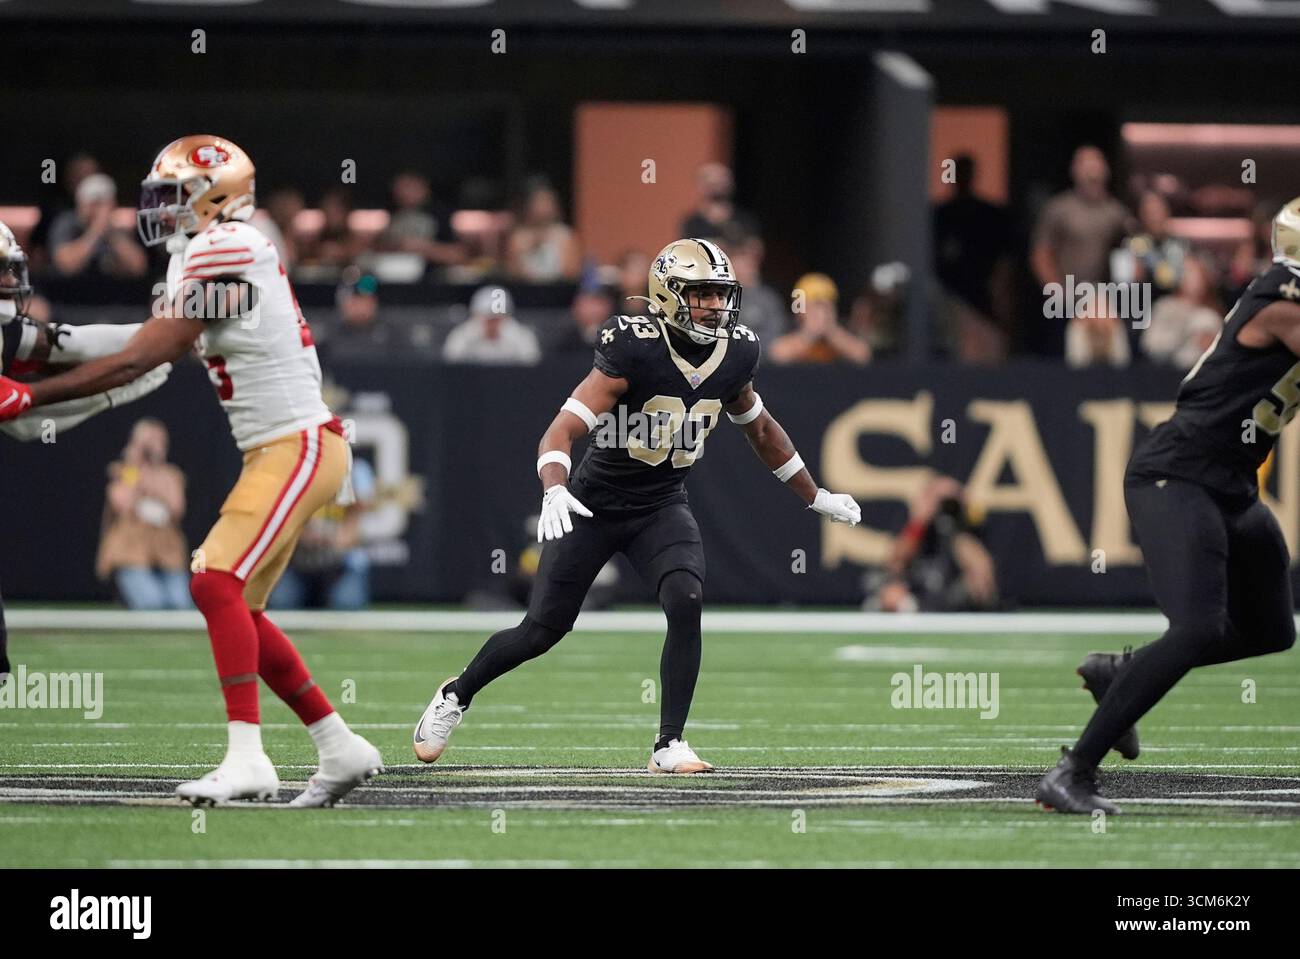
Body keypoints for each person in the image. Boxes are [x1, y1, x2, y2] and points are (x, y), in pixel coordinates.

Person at [0, 135, 382, 808]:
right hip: (281, 449)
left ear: (218, 196)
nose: (161, 210)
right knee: (244, 608)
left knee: (212, 579)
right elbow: (137, 347)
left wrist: (33, 394)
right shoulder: (202, 254)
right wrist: (33, 345)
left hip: (299, 444)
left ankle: (247, 757)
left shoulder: (231, 245)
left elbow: (145, 355)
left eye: (174, 197)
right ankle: (338, 744)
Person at [410, 238, 862, 774]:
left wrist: (816, 495)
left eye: (721, 295)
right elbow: (561, 430)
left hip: (661, 504)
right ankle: (457, 693)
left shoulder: (736, 352)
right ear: (668, 296)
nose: (716, 307)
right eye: (702, 295)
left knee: (686, 598)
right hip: (594, 505)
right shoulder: (634, 347)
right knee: (541, 631)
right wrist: (554, 487)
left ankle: (669, 743)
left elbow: (760, 428)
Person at [1035, 197, 1300, 814]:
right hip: (1178, 475)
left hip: (1231, 484)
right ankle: (1072, 771)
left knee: (1270, 629)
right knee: (1199, 625)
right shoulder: (1283, 299)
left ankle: (1118, 673)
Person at [0, 221, 171, 688]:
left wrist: (158, 336)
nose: (13, 282)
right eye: (2, 271)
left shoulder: (6, 332)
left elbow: (69, 342)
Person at [97, 419, 192, 609]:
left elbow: (176, 508)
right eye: (147, 442)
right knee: (151, 603)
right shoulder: (124, 472)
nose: (152, 447)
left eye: (157, 441)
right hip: (131, 552)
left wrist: (153, 475)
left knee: (181, 604)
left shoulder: (171, 475)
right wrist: (135, 468)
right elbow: (122, 505)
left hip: (167, 553)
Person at [47, 173, 149, 280]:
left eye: (104, 204)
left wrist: (112, 233)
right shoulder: (67, 223)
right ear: (80, 203)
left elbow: (139, 267)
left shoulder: (117, 225)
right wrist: (97, 229)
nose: (98, 210)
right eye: (93, 204)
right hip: (70, 290)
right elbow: (66, 265)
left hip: (111, 291)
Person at [768, 273, 870, 365]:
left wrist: (831, 331)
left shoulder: (838, 334)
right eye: (814, 306)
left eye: (826, 307)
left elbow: (863, 355)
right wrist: (809, 334)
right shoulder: (789, 328)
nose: (821, 313)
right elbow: (777, 354)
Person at [442, 284, 541, 365]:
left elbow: (532, 365)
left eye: (497, 319)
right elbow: (450, 364)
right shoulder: (461, 335)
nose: (492, 324)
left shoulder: (522, 336)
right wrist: (473, 336)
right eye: (488, 318)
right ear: (475, 315)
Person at [506, 178, 581, 282]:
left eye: (546, 202)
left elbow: (572, 272)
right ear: (529, 206)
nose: (543, 207)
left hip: (558, 290)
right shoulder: (518, 237)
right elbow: (513, 272)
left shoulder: (565, 235)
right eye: (538, 202)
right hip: (526, 291)